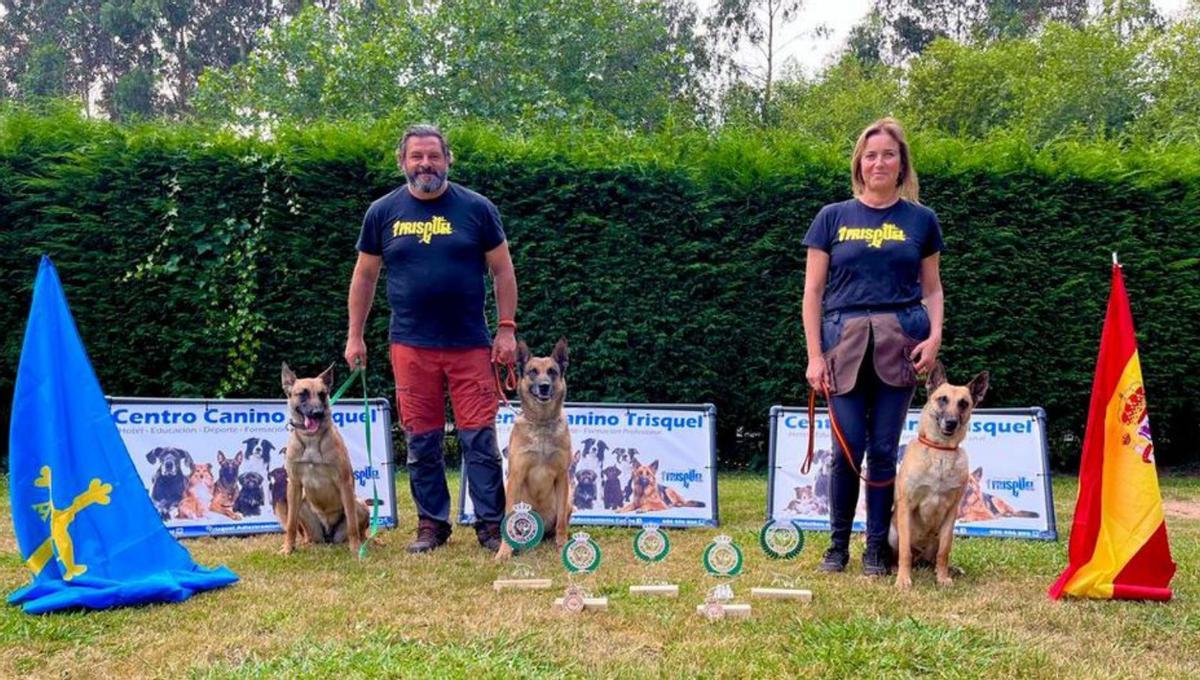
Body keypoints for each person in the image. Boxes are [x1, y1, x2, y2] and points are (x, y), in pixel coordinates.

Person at [345, 124, 517, 554]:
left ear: (448, 159)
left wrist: (507, 328)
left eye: (434, 156)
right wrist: (355, 337)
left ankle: (491, 525)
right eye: (417, 156)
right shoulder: (382, 213)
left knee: (479, 438)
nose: (426, 164)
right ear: (402, 161)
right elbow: (364, 276)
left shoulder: (477, 209)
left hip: (471, 344)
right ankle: (432, 525)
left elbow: (503, 270)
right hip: (410, 344)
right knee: (421, 439)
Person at [801, 117, 944, 576]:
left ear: (901, 164)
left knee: (883, 449)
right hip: (841, 342)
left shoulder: (921, 220)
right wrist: (814, 356)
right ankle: (838, 546)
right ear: (859, 165)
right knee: (848, 447)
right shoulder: (832, 217)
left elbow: (934, 289)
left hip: (900, 341)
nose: (878, 162)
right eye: (870, 155)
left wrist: (935, 336)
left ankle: (877, 549)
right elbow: (812, 293)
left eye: (888, 154)